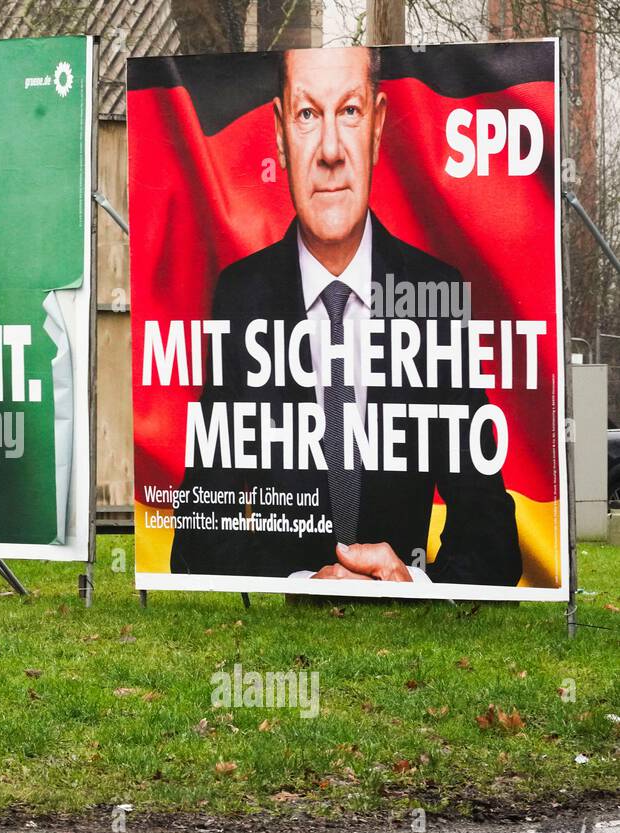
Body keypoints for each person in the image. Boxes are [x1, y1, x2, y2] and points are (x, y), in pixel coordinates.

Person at [170, 46, 521, 587]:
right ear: (281, 133)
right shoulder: (241, 298)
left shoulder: (434, 294)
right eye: (308, 114)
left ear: (378, 126)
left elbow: (492, 538)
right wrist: (298, 583)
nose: (331, 150)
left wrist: (413, 586)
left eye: (350, 112)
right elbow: (195, 540)